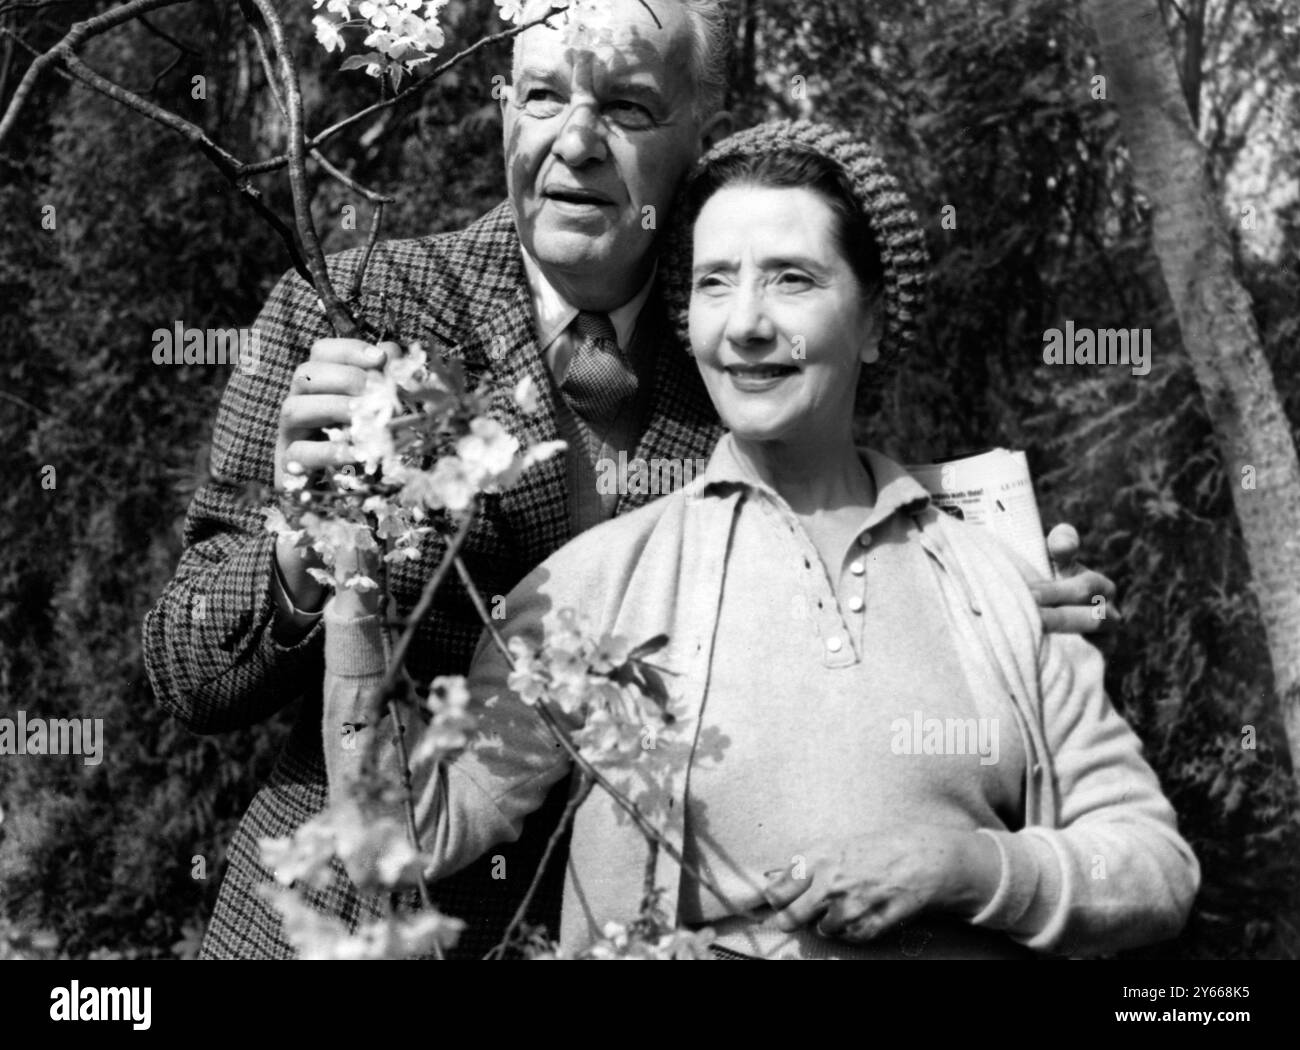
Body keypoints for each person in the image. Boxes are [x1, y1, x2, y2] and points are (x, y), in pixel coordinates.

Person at [144, 0, 1120, 959]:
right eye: (542, 97)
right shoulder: (361, 308)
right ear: (502, 109)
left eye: (626, 106)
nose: (574, 142)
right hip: (346, 924)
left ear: (702, 130)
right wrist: (298, 559)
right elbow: (185, 666)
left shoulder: (751, 360)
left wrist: (1006, 602)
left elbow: (856, 551)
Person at [323, 120, 1198, 959]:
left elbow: (1156, 872)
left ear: (875, 320)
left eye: (791, 279)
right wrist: (350, 581)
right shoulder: (598, 588)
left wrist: (966, 868)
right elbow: (400, 837)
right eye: (713, 282)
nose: (744, 322)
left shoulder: (999, 582)